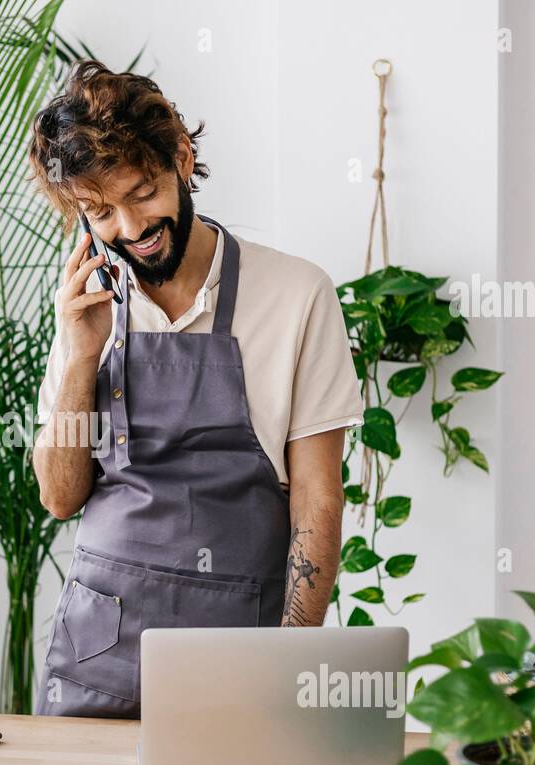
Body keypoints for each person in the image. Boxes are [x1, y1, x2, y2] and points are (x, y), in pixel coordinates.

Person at [27, 60, 364, 718]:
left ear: (181, 158)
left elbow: (319, 500)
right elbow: (61, 498)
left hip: (239, 650)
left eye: (142, 192)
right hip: (98, 656)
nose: (129, 229)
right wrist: (78, 357)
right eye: (99, 211)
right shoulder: (86, 307)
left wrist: (290, 667)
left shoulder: (297, 294)